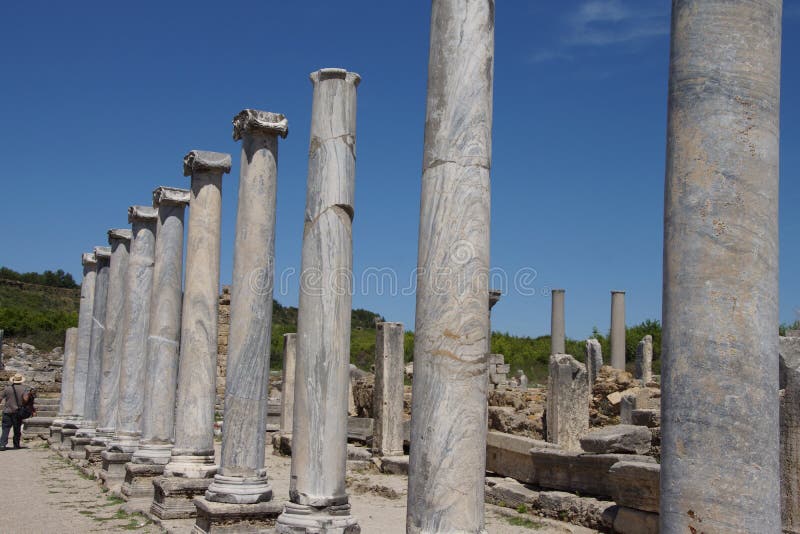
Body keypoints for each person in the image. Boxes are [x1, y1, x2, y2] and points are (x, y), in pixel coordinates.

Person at [0, 373, 32, 450]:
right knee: (17, 429)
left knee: (5, 429)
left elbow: (0, 398)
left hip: (7, 411)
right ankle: (16, 445)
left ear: (13, 380)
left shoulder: (7, 389)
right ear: (21, 381)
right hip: (17, 412)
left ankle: (2, 445)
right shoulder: (24, 389)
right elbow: (25, 399)